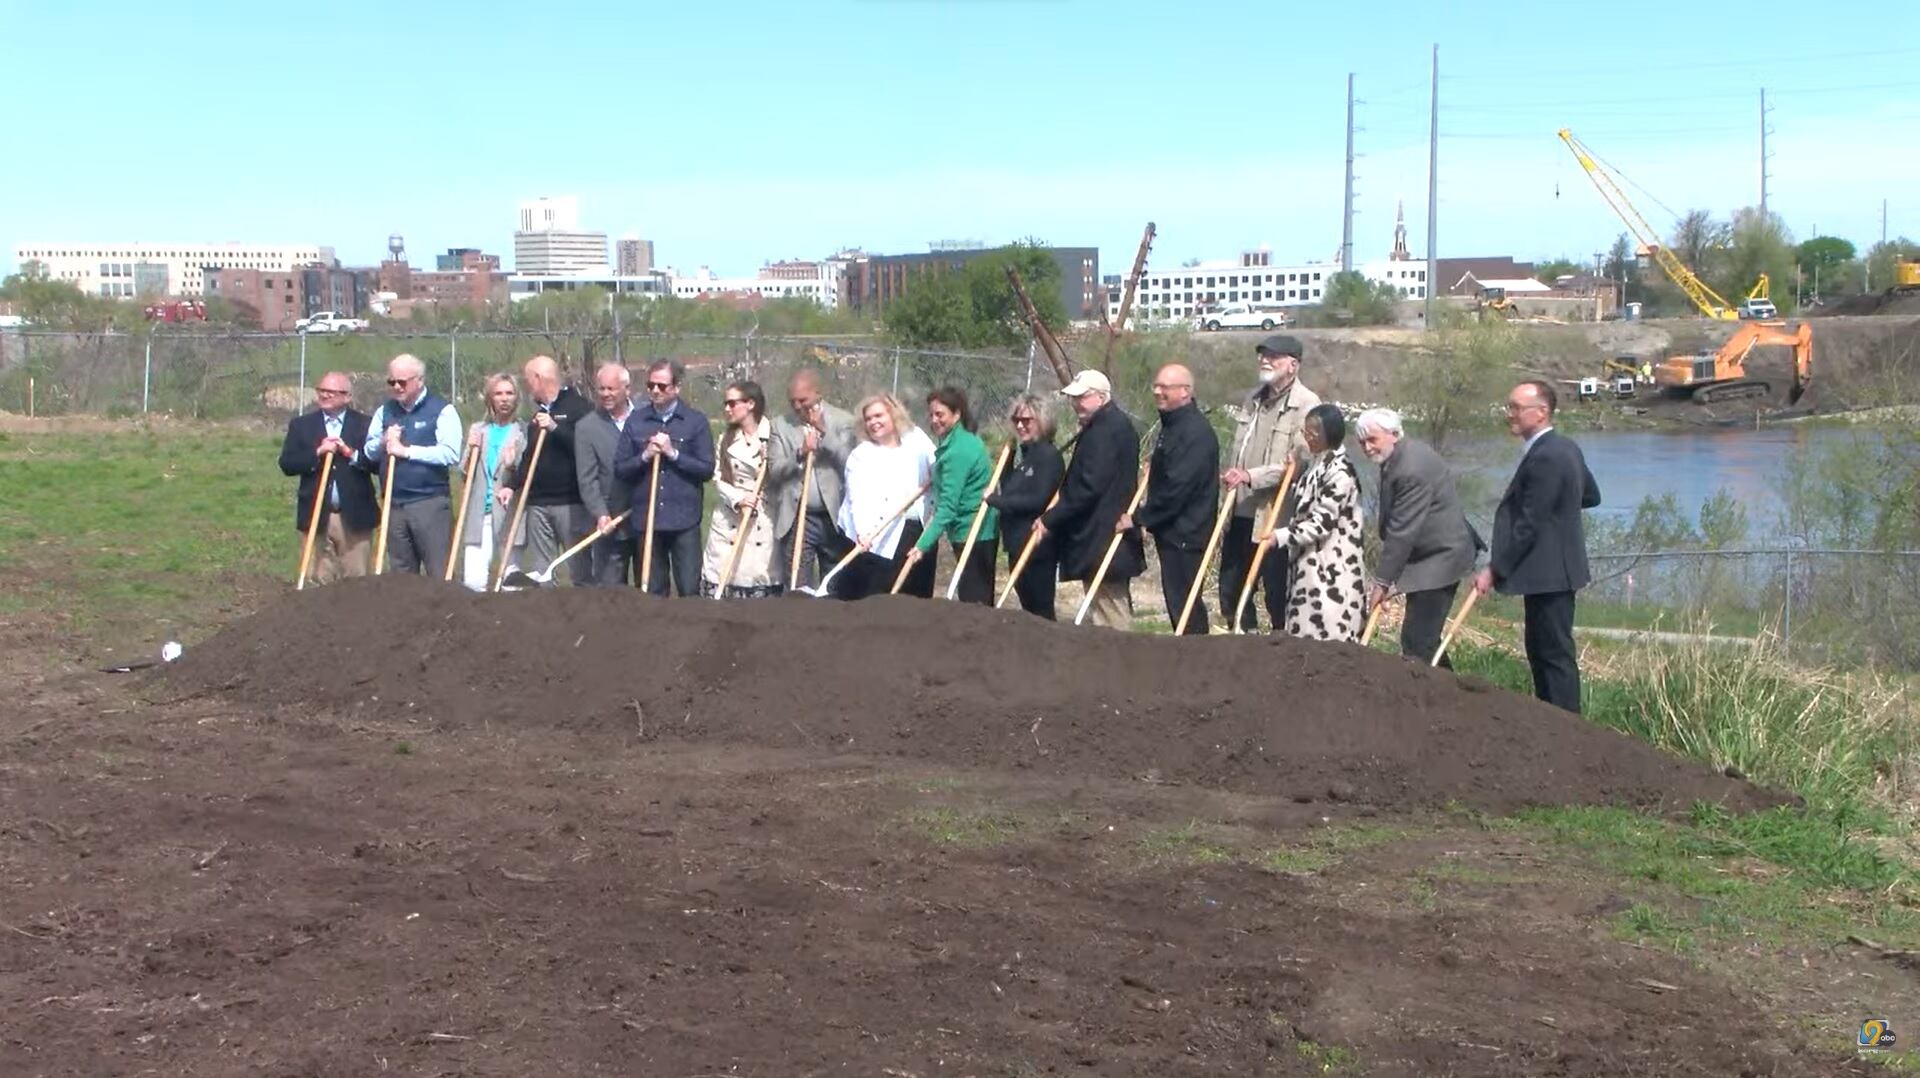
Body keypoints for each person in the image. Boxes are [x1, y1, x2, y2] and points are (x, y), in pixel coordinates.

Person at [1473, 381, 1602, 713]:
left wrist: (1495, 568)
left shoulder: (1547, 455)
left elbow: (1529, 523)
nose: (1510, 414)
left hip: (1549, 572)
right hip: (1554, 569)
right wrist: (1562, 517)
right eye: (1510, 406)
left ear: (1541, 412)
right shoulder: (1566, 447)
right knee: (1546, 649)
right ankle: (1554, 724)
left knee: (1551, 654)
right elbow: (1590, 495)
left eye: (1516, 408)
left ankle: (1564, 728)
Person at [1356, 407, 1483, 666]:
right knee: (1420, 639)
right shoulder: (1396, 457)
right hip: (1425, 555)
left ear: (1394, 434)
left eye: (1372, 440)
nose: (1367, 448)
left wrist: (1382, 582)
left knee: (1419, 639)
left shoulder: (1411, 467)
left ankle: (1445, 696)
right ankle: (1440, 692)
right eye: (1362, 442)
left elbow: (1402, 532)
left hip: (1443, 556)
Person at [1218, 334, 1321, 631]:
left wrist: (1252, 476)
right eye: (1263, 354)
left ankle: (1281, 646)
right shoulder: (1253, 399)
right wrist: (1234, 473)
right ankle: (1243, 639)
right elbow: (1240, 448)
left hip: (1277, 517)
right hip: (1240, 510)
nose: (1265, 360)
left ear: (1293, 364)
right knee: (1231, 588)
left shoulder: (1307, 405)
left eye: (1274, 356)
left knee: (1277, 593)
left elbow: (1298, 463)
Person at [1033, 369, 1143, 630]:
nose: (1075, 404)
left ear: (1102, 397)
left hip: (1105, 535)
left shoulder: (1106, 431)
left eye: (1082, 398)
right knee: (1101, 609)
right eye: (1074, 398)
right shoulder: (1104, 426)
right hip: (1099, 534)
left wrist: (1051, 518)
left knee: (1110, 615)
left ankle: (1120, 666)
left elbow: (1089, 486)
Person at [1129, 364, 1219, 634]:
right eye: (1155, 386)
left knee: (1186, 605)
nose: (1157, 391)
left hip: (1187, 533)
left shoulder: (1194, 432)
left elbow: (1178, 489)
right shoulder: (1173, 425)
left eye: (1165, 387)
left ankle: (1196, 659)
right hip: (1172, 532)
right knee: (1177, 603)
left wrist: (1140, 518)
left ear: (1185, 391)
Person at [1263, 403, 1365, 642]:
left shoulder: (1341, 472)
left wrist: (1280, 537)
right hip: (1306, 565)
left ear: (1329, 433)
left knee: (1326, 637)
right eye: (1306, 432)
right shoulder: (1315, 465)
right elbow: (1301, 505)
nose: (1308, 438)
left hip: (1331, 571)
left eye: (1313, 433)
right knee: (1301, 636)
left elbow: (1321, 522)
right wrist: (1293, 473)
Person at [614, 359, 714, 596]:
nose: (655, 391)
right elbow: (621, 469)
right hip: (647, 520)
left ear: (677, 387)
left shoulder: (695, 422)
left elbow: (706, 469)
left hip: (684, 521)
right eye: (650, 386)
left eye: (662, 386)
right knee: (652, 593)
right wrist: (645, 456)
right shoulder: (636, 421)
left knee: (689, 590)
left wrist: (673, 453)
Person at [362, 353, 462, 577]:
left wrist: (406, 452)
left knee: (439, 571)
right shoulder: (385, 411)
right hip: (393, 503)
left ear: (419, 380)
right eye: (392, 382)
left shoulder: (442, 411)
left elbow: (451, 454)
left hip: (429, 502)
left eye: (402, 382)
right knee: (402, 574)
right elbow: (368, 451)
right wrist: (382, 441)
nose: (397, 387)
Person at [277, 370, 376, 584]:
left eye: (331, 392)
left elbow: (376, 464)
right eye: (321, 390)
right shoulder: (302, 426)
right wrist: (318, 453)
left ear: (347, 396)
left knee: (357, 581)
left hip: (354, 516)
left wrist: (350, 453)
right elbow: (287, 464)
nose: (324, 395)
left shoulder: (365, 425)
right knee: (318, 579)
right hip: (316, 513)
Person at [834, 394, 937, 600]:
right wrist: (863, 533)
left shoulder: (915, 438)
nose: (873, 422)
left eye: (878, 415)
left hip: (917, 528)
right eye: (869, 419)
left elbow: (937, 463)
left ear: (893, 414)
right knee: (878, 596)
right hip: (877, 534)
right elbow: (858, 498)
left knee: (916, 593)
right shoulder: (862, 455)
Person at [903, 387, 999, 604]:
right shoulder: (954, 443)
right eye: (931, 414)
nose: (934, 420)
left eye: (940, 414)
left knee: (975, 600)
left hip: (974, 531)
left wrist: (921, 545)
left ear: (956, 415)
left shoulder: (959, 451)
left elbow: (948, 508)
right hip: (967, 530)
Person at [766, 368, 860, 590]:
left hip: (834, 516)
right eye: (793, 401)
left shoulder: (844, 421)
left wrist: (824, 432)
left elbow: (850, 463)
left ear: (818, 393)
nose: (798, 406)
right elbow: (775, 470)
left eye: (803, 400)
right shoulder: (780, 425)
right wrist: (799, 453)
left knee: (834, 583)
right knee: (797, 584)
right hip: (798, 516)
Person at [509, 355, 592, 586]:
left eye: (528, 382)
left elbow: (584, 448)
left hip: (570, 503)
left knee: (579, 568)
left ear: (538, 379)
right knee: (542, 572)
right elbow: (529, 457)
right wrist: (511, 485)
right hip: (538, 503)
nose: (527, 388)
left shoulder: (579, 408)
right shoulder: (537, 415)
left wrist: (555, 428)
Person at [984, 394, 1064, 619]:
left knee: (1040, 608)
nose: (1020, 425)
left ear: (1042, 420)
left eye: (1027, 420)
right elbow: (1012, 490)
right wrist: (1007, 463)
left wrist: (995, 501)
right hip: (1016, 543)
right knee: (1027, 607)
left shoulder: (1048, 456)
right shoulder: (1025, 456)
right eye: (1016, 419)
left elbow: (1037, 500)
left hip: (1036, 544)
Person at [700, 381, 780, 598]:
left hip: (762, 522)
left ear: (751, 404)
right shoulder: (725, 439)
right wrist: (738, 499)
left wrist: (772, 461)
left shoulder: (775, 436)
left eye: (732, 403)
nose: (727, 409)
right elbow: (718, 477)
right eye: (725, 404)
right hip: (731, 521)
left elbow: (786, 475)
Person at [457, 373, 527, 591]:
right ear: (490, 398)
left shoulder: (523, 431)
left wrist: (512, 463)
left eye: (509, 393)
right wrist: (470, 450)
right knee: (473, 581)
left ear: (516, 398)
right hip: (481, 513)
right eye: (498, 393)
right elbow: (465, 473)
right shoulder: (479, 430)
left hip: (509, 513)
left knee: (510, 582)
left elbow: (526, 473)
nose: (504, 398)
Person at [575, 362, 637, 587]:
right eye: (601, 389)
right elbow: (587, 479)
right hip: (611, 522)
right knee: (609, 593)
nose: (605, 394)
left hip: (644, 517)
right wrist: (600, 513)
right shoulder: (586, 427)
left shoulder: (645, 418)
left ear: (627, 389)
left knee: (650, 592)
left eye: (611, 389)